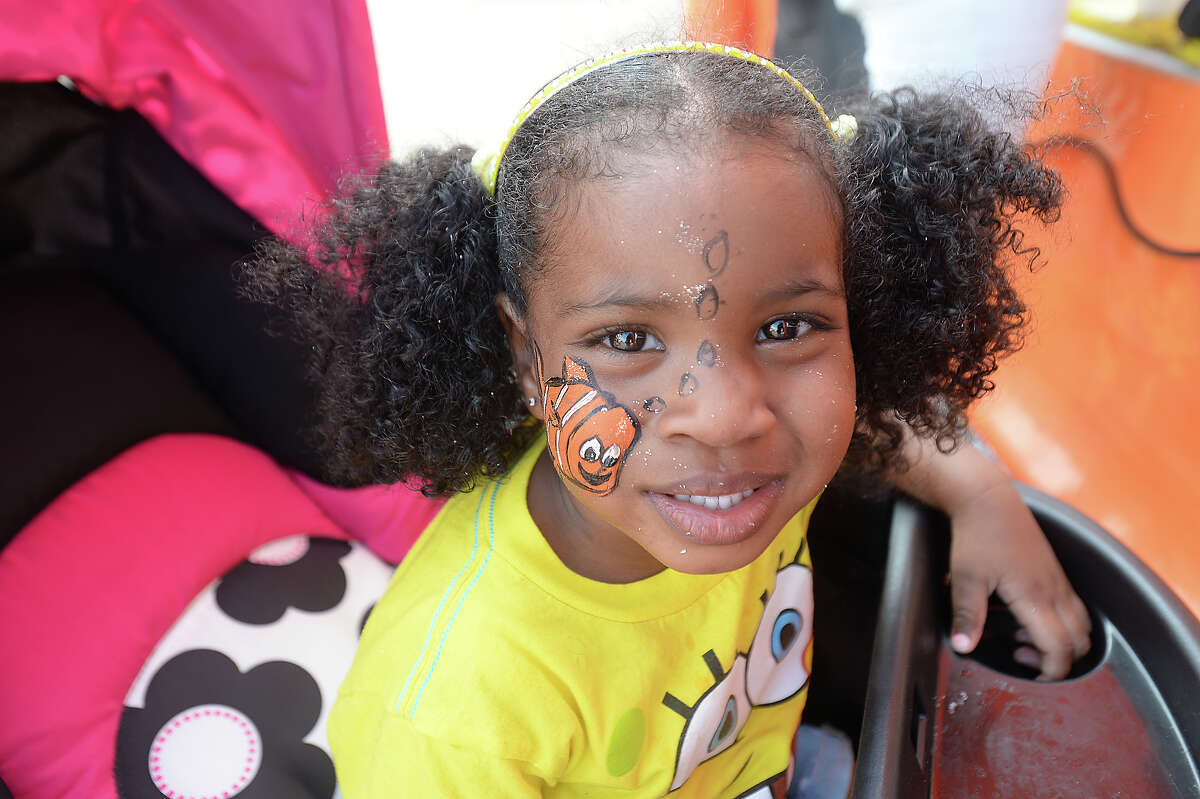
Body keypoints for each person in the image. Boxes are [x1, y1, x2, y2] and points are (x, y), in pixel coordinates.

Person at [243, 41, 1092, 798]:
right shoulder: (454, 714)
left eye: (787, 326)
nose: (726, 416)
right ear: (526, 356)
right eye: (626, 339)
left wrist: (980, 490)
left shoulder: (733, 462)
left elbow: (870, 418)